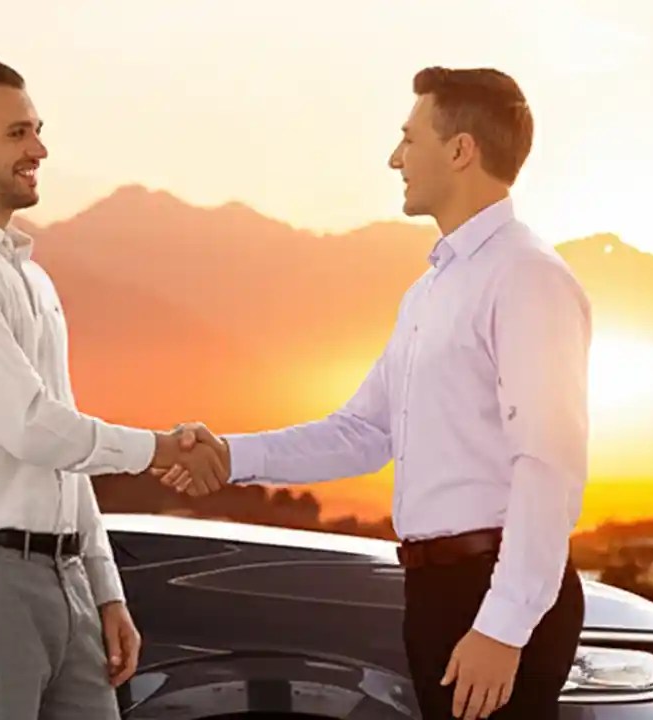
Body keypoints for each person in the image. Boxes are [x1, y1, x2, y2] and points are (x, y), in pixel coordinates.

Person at [162, 66, 591, 719]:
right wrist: (229, 455)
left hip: (492, 592)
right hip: (435, 594)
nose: (396, 158)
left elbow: (548, 462)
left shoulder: (527, 276)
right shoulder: (430, 292)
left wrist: (503, 626)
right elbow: (363, 432)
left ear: (460, 150)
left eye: (409, 139)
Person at [0, 59, 226, 720]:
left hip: (66, 581)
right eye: (17, 133)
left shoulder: (29, 278)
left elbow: (63, 441)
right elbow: (31, 426)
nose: (39, 150)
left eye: (38, 131)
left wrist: (105, 589)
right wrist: (162, 449)